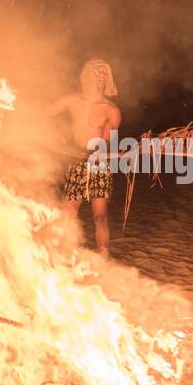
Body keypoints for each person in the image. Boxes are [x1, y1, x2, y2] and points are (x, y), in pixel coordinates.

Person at [47, 59, 122, 256]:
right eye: (98, 71)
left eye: (105, 72)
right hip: (77, 162)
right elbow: (44, 113)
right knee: (67, 212)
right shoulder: (72, 101)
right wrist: (55, 134)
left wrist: (96, 153)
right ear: (87, 74)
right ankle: (61, 253)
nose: (102, 76)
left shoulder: (111, 110)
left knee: (100, 216)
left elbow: (107, 141)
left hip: (99, 165)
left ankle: (103, 255)